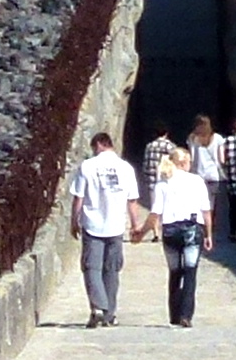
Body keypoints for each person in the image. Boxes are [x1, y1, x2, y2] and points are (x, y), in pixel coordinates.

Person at [69, 131, 142, 329]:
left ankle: (98, 307)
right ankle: (110, 314)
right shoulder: (126, 168)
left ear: (99, 144)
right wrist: (135, 225)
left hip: (93, 224)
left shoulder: (87, 166)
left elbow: (79, 197)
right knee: (112, 270)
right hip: (116, 225)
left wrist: (74, 221)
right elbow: (132, 200)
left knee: (91, 268)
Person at [150, 141, 214, 328]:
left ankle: (174, 314)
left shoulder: (162, 183)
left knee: (175, 272)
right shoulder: (197, 181)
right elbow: (206, 211)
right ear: (184, 162)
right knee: (190, 273)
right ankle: (186, 315)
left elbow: (155, 213)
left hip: (170, 231)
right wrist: (209, 234)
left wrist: (142, 231)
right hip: (192, 230)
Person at [186, 116, 226, 251]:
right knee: (211, 204)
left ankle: (199, 226)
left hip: (198, 175)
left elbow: (191, 158)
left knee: (198, 203)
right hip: (213, 175)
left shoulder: (193, 138)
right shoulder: (218, 138)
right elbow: (222, 159)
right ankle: (209, 229)